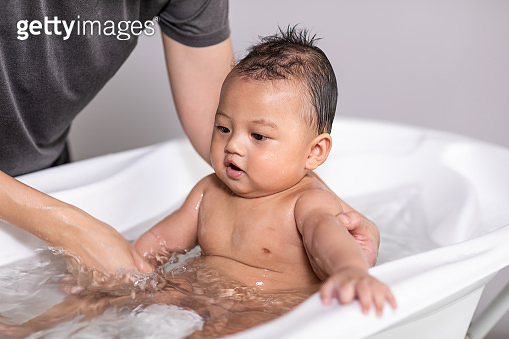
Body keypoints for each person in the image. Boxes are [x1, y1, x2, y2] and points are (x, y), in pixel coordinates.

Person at [0, 26, 396, 339]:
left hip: (262, 308)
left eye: (258, 136)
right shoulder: (208, 191)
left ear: (314, 152)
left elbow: (328, 238)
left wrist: (349, 272)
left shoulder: (306, 202)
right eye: (223, 127)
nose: (233, 146)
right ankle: (29, 330)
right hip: (188, 288)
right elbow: (159, 244)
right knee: (96, 297)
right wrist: (118, 276)